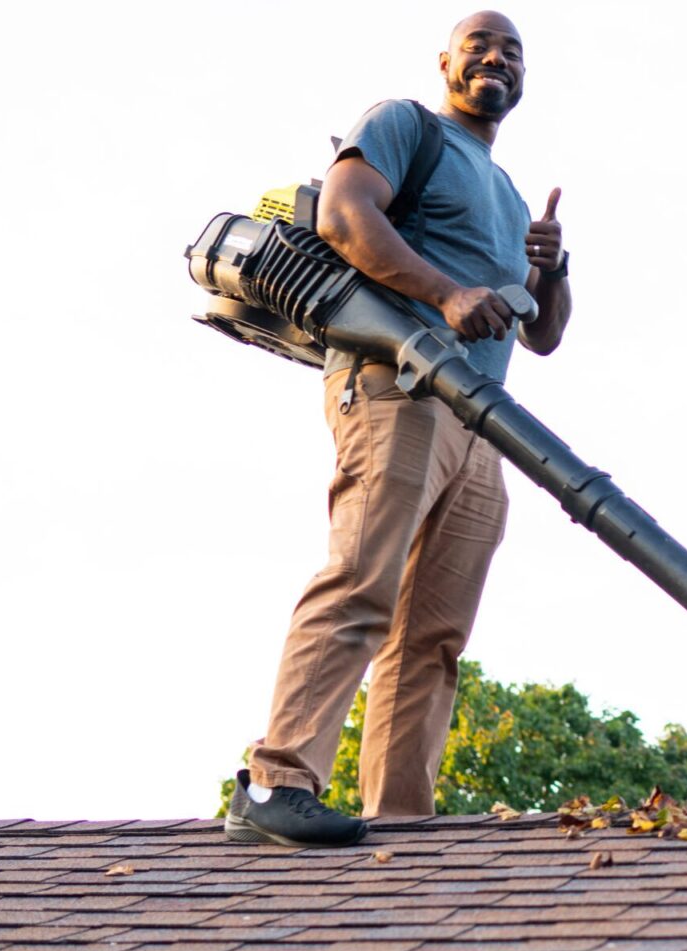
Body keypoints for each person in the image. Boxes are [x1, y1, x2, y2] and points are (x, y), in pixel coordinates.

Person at [225, 10, 572, 847]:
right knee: (362, 580)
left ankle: (402, 822)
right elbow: (345, 217)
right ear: (445, 63)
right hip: (398, 385)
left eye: (512, 51)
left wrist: (550, 268)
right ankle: (276, 782)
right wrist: (447, 293)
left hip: (483, 423)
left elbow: (545, 334)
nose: (496, 58)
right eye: (478, 46)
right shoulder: (405, 126)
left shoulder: (512, 191)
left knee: (436, 635)